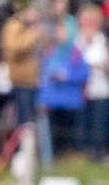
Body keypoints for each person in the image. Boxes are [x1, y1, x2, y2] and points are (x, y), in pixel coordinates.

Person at [37, 15, 89, 163]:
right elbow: (44, 76)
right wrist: (42, 99)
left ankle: (70, 165)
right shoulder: (51, 51)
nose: (59, 33)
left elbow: (84, 73)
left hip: (71, 102)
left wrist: (67, 76)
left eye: (63, 29)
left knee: (71, 138)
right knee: (54, 137)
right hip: (53, 102)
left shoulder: (76, 52)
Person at [75, 5, 109, 161]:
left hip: (100, 90)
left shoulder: (104, 41)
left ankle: (97, 157)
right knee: (80, 128)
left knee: (98, 127)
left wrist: (100, 66)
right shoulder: (75, 41)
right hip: (79, 91)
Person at [0, 4, 45, 129]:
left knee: (34, 117)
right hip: (21, 79)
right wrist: (32, 35)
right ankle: (24, 145)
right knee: (24, 118)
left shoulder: (36, 27)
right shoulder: (13, 26)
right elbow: (13, 49)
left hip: (36, 79)